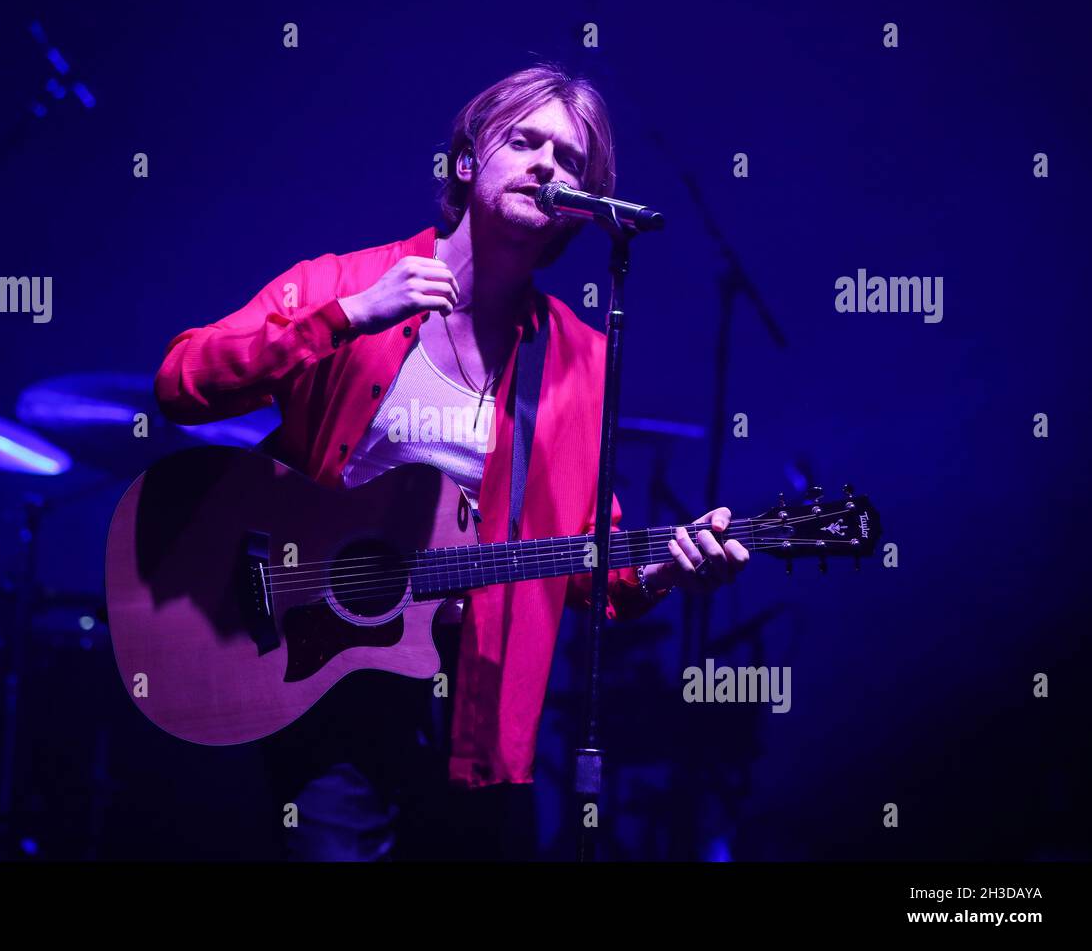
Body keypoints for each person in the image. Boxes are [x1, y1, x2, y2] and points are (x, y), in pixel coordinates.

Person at [154, 62, 750, 860]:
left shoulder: (581, 359)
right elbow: (183, 381)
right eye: (525, 142)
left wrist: (669, 567)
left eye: (570, 161)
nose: (546, 167)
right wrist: (345, 317)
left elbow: (586, 568)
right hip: (322, 677)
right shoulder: (350, 283)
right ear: (467, 161)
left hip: (477, 707)